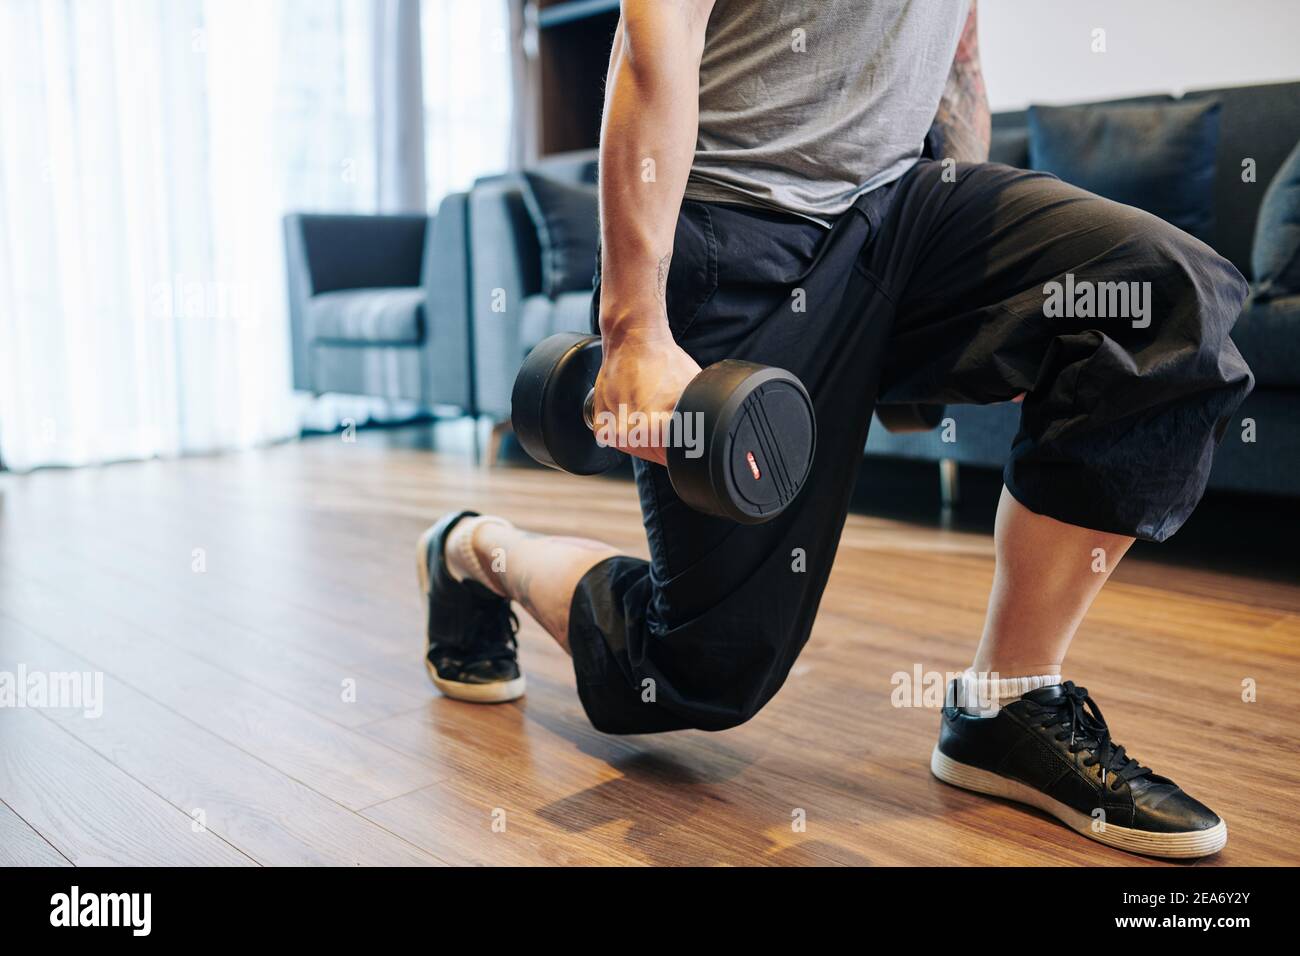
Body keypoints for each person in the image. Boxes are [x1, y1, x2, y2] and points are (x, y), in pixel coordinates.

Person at [415, 0, 1251, 858]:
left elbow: (955, 50)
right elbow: (653, 37)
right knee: (702, 670)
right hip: (734, 223)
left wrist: (979, 316)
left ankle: (1007, 702)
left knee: (1162, 294)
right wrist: (634, 330)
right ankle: (478, 550)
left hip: (905, 210)